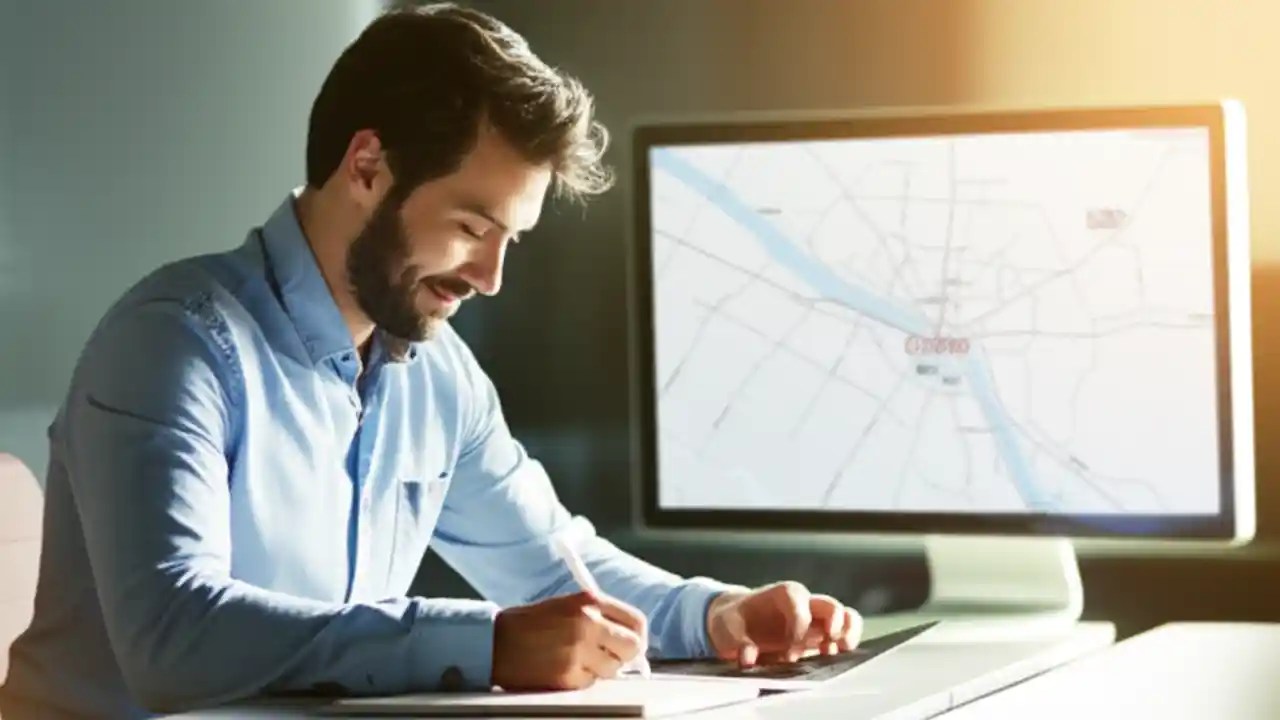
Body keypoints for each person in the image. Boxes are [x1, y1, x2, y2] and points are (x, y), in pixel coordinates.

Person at [0, 4, 861, 718]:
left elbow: (555, 563)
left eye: (510, 240)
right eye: (471, 227)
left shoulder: (438, 376)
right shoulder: (174, 343)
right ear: (368, 166)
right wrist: (484, 643)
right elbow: (174, 637)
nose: (490, 278)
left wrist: (715, 616)